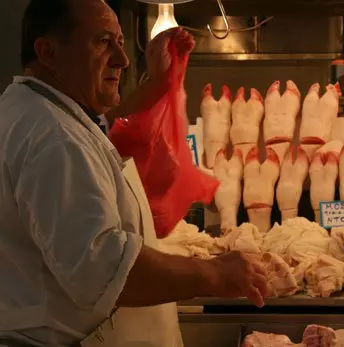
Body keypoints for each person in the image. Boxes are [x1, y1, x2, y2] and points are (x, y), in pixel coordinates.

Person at [0, 0, 268, 346]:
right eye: (102, 42)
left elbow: (104, 132)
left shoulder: (34, 109)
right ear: (49, 51)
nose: (123, 59)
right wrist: (214, 273)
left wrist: (158, 82)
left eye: (120, 42)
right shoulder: (53, 136)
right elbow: (101, 268)